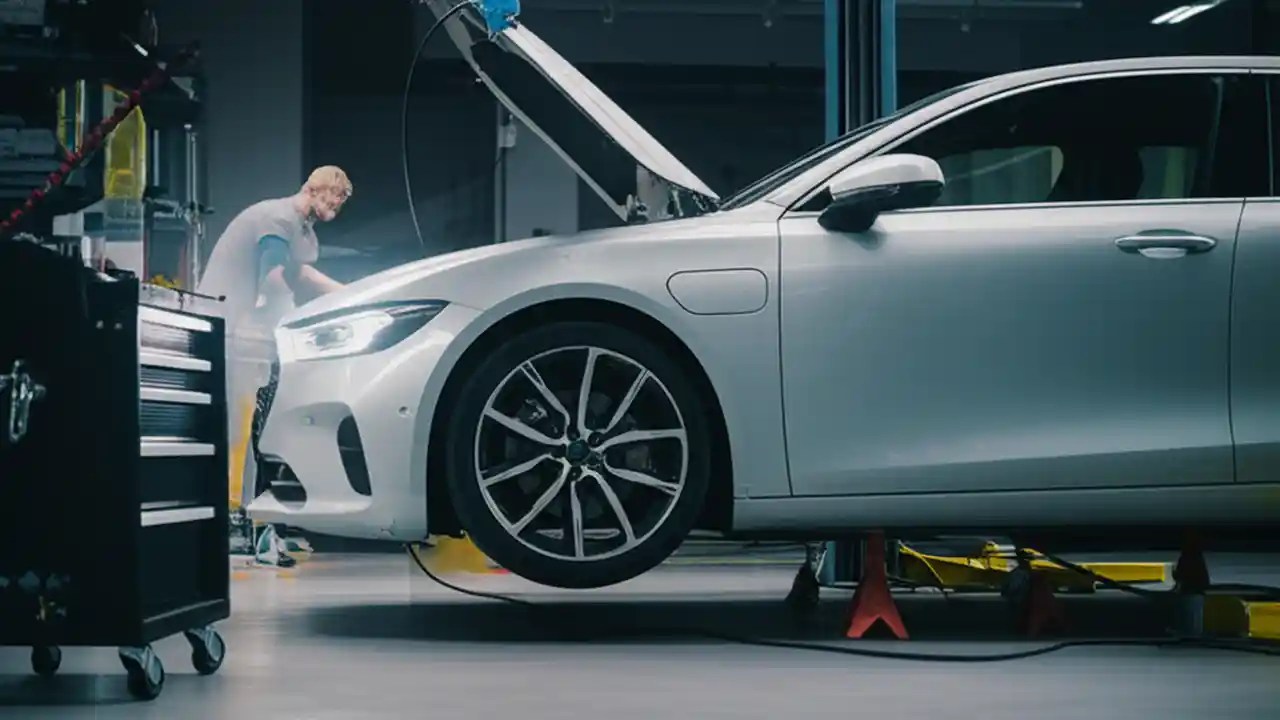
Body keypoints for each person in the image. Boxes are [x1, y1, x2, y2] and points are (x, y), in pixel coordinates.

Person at [196, 166, 353, 566]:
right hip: (235, 331)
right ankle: (235, 522)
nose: (338, 205)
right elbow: (274, 276)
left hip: (250, 336)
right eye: (335, 197)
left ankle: (250, 521)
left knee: (253, 429)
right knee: (238, 430)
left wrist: (353, 294)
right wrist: (296, 316)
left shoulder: (300, 229)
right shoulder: (278, 218)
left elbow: (304, 273)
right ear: (316, 189)